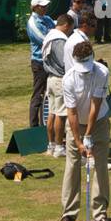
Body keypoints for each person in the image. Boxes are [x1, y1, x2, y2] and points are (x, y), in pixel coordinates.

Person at [57, 40, 111, 221]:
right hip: (75, 125)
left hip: (98, 122)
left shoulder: (102, 72)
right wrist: (79, 141)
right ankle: (69, 214)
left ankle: (100, 215)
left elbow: (95, 105)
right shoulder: (68, 79)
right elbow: (71, 113)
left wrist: (88, 134)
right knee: (72, 166)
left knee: (100, 166)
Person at [41, 13, 74, 158]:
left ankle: (51, 146)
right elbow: (64, 61)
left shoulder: (49, 36)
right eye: (70, 29)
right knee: (60, 115)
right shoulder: (59, 40)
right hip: (59, 80)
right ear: (66, 25)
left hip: (50, 79)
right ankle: (59, 147)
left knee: (52, 113)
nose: (70, 32)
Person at [26, 0, 55, 127]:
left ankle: (48, 123)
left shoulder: (47, 19)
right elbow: (45, 40)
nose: (46, 8)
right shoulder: (32, 23)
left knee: (51, 93)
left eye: (46, 5)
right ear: (36, 7)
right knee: (38, 95)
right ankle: (34, 127)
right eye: (43, 6)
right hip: (39, 63)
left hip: (50, 61)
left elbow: (57, 29)